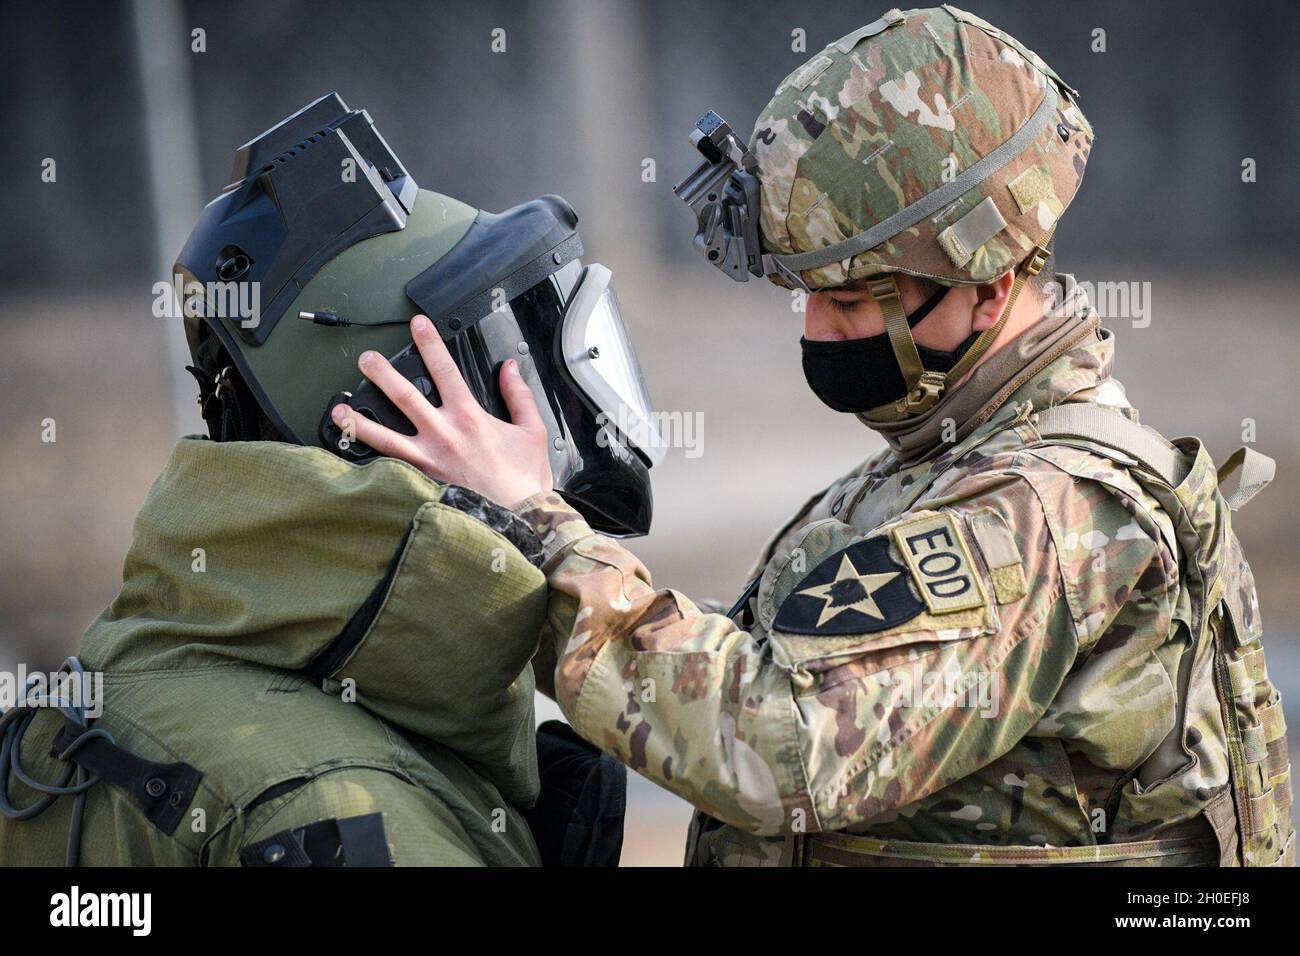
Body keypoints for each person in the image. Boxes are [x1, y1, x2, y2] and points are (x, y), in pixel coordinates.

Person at [336, 7, 1292, 867]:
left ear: (989, 287)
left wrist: (534, 529)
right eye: (805, 298)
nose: (815, 333)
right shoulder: (951, 452)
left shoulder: (1040, 509)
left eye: (845, 301)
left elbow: (780, 744)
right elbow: (802, 662)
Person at [0, 92, 644, 866]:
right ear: (387, 420)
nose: (531, 433)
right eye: (493, 376)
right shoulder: (341, 811)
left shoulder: (126, 678)